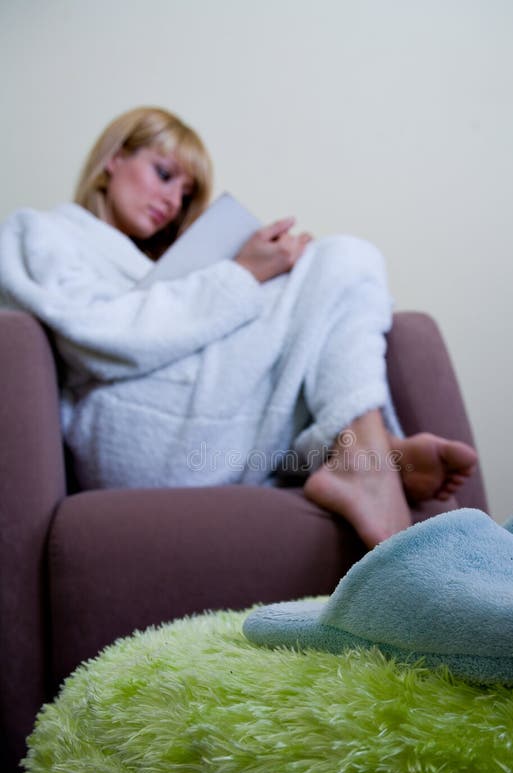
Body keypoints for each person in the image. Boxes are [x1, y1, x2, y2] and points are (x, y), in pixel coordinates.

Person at [0, 106, 477, 549]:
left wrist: (257, 275)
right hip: (134, 426)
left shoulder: (159, 269)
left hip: (201, 422)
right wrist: (245, 274)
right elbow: (95, 335)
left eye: (184, 193)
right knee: (344, 259)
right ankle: (366, 459)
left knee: (334, 277)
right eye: (164, 174)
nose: (171, 199)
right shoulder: (43, 231)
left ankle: (359, 451)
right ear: (114, 158)